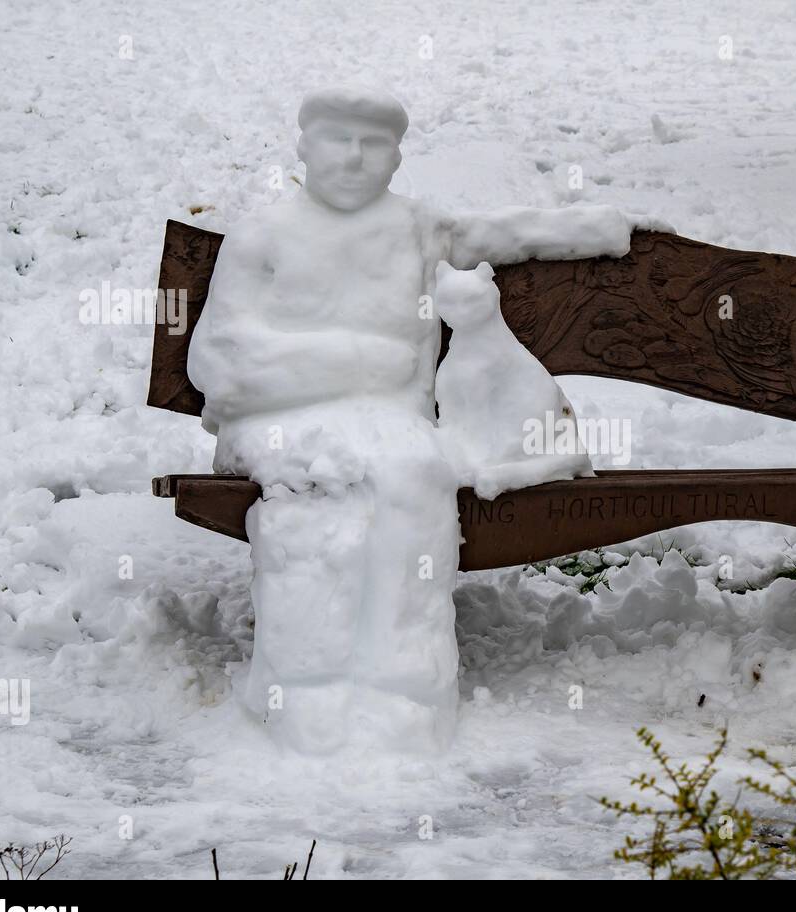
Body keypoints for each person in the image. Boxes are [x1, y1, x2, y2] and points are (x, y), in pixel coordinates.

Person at [187, 88, 633, 754]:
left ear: (396, 156)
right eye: (339, 139)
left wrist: (606, 229)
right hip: (277, 422)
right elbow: (218, 362)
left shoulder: (417, 229)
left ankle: (403, 697)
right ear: (305, 146)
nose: (356, 157)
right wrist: (364, 359)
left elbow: (507, 236)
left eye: (375, 144)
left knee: (412, 473)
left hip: (391, 424)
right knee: (322, 483)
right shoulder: (265, 235)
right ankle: (304, 693)